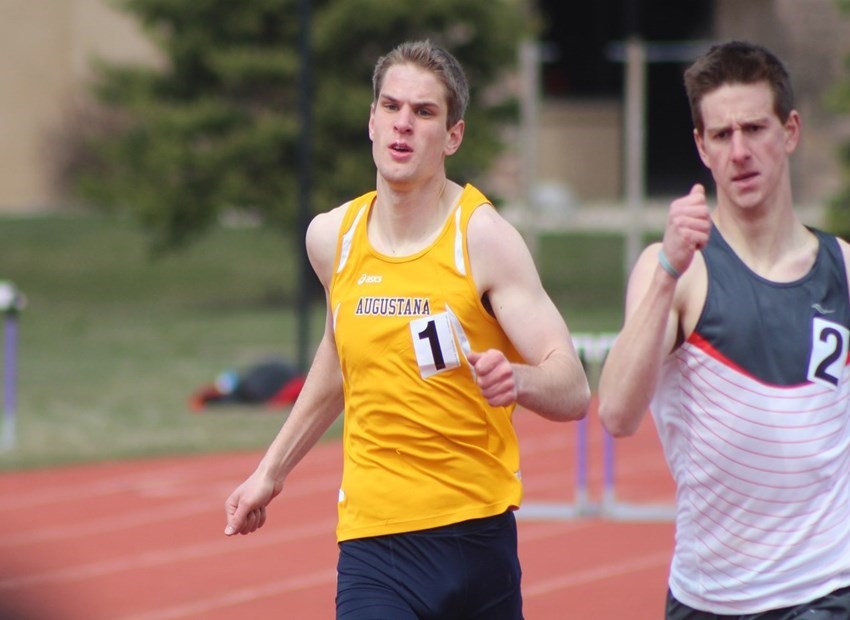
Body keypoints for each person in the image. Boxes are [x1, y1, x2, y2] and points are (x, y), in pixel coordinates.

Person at [224, 40, 590, 619]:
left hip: (476, 539)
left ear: (452, 136)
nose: (403, 125)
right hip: (375, 544)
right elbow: (337, 357)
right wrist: (270, 472)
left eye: (423, 113)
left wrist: (517, 379)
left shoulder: (484, 240)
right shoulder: (332, 239)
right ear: (371, 121)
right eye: (391, 107)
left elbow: (572, 389)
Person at [598, 40, 850, 619]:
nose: (740, 152)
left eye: (755, 129)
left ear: (789, 131)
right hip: (711, 595)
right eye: (722, 135)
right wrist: (667, 271)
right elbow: (616, 413)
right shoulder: (678, 271)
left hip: (825, 588)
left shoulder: (841, 268)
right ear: (701, 148)